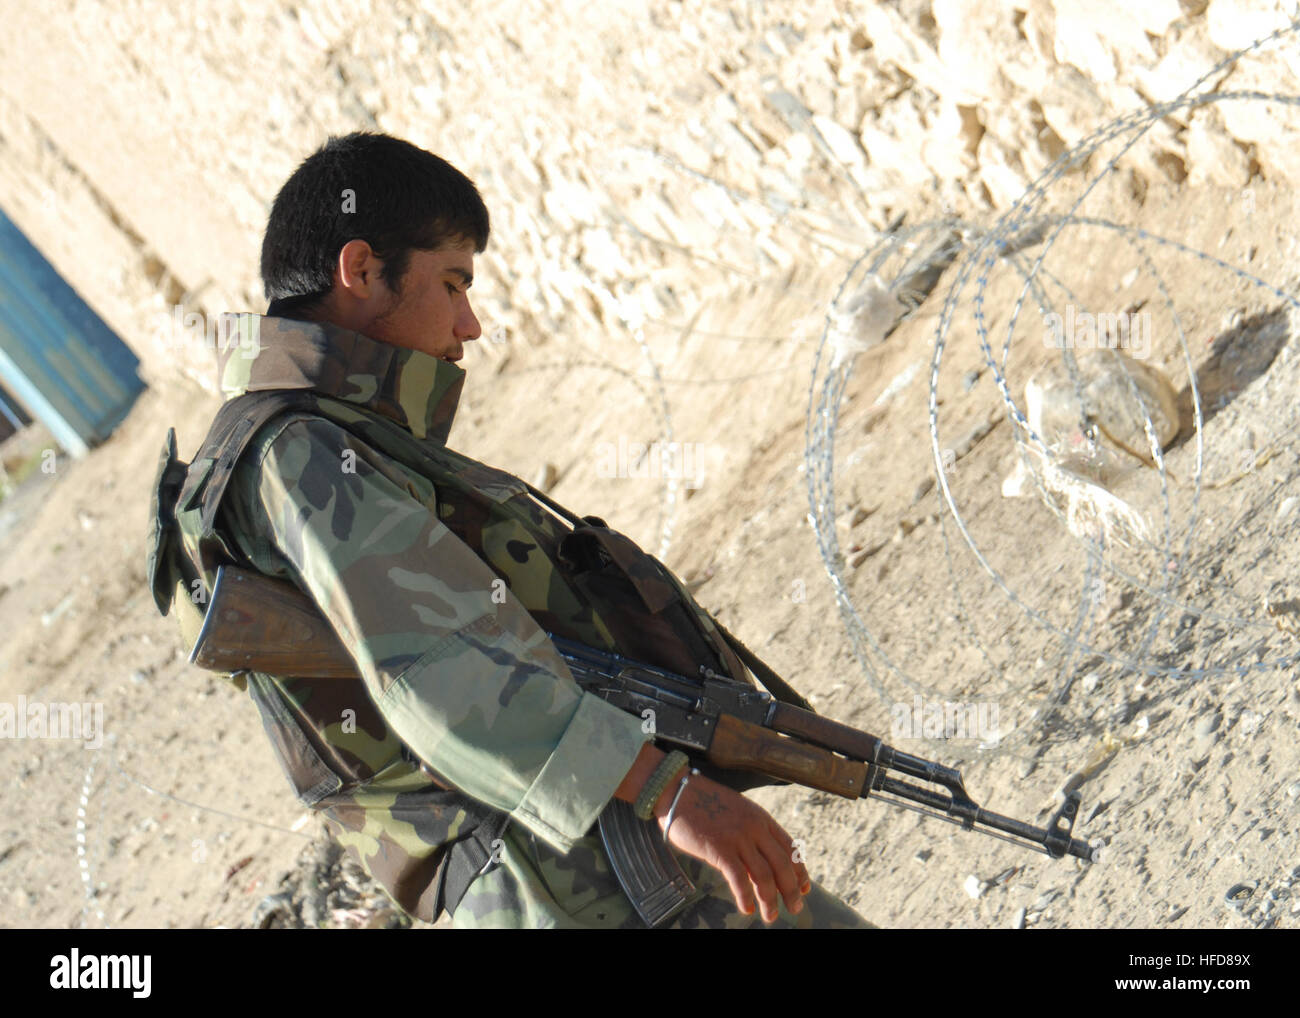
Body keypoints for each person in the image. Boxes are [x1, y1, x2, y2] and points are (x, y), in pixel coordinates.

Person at [149, 131, 872, 929]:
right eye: (452, 284)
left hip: (564, 846)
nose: (471, 323)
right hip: (556, 875)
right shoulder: (298, 453)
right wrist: (670, 793)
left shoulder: (319, 436)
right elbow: (441, 667)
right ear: (359, 270)